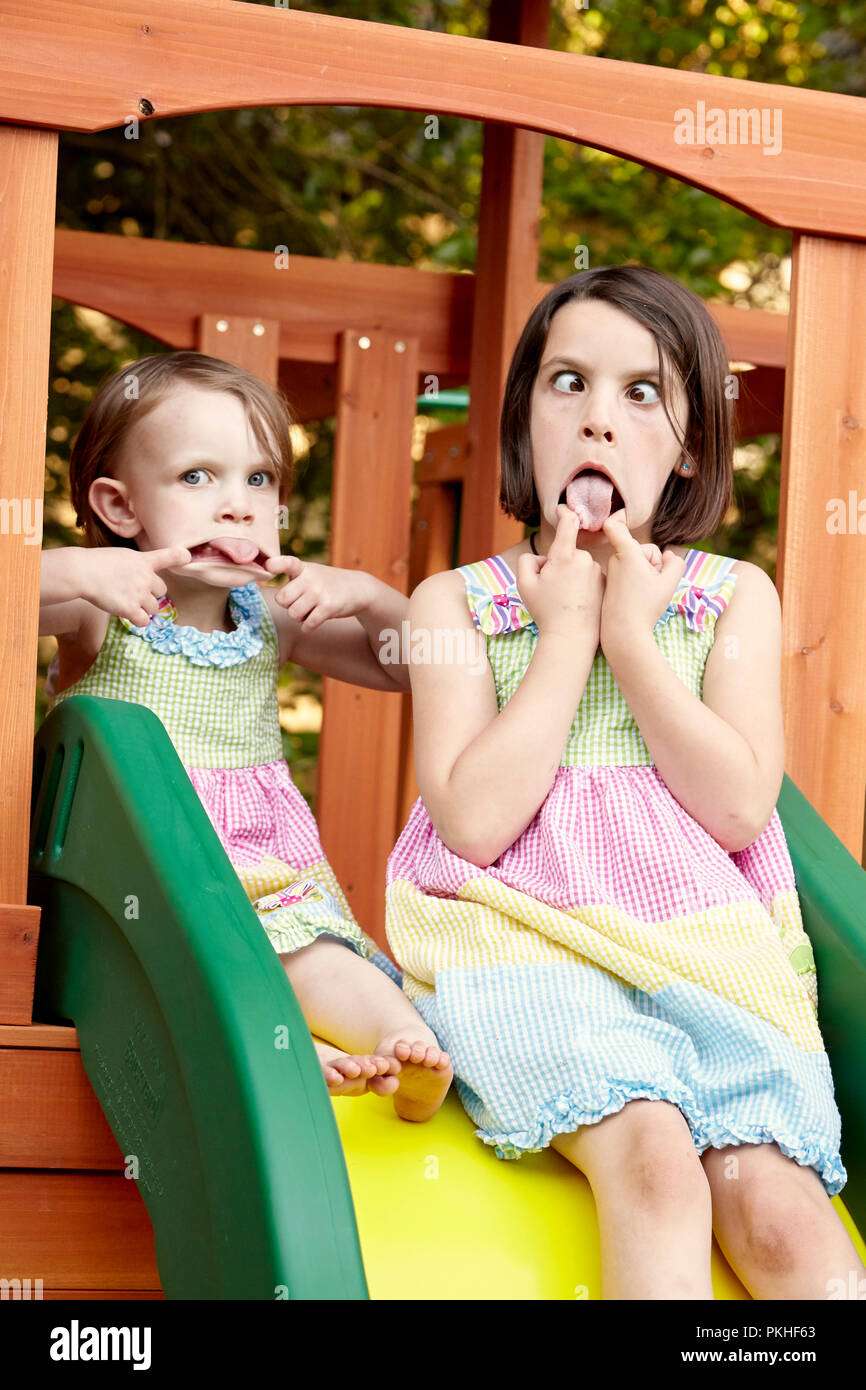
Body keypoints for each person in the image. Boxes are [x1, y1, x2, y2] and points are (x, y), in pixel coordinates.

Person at [386, 266, 866, 1298]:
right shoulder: (453, 604)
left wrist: (628, 639)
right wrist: (564, 637)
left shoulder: (728, 596)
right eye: (567, 383)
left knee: (785, 1226)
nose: (598, 421)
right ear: (522, 419)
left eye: (639, 393)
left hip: (704, 954)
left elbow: (736, 805)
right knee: (652, 1160)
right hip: (524, 940)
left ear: (687, 443)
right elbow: (469, 821)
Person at [39, 350, 452, 1122]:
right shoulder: (103, 610)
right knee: (211, 969)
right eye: (198, 478)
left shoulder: (273, 621)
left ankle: (404, 1045)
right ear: (121, 508)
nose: (237, 506)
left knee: (322, 959)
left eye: (258, 480)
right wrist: (79, 570)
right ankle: (297, 1049)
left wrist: (367, 593)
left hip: (267, 884)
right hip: (142, 881)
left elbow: (419, 664)